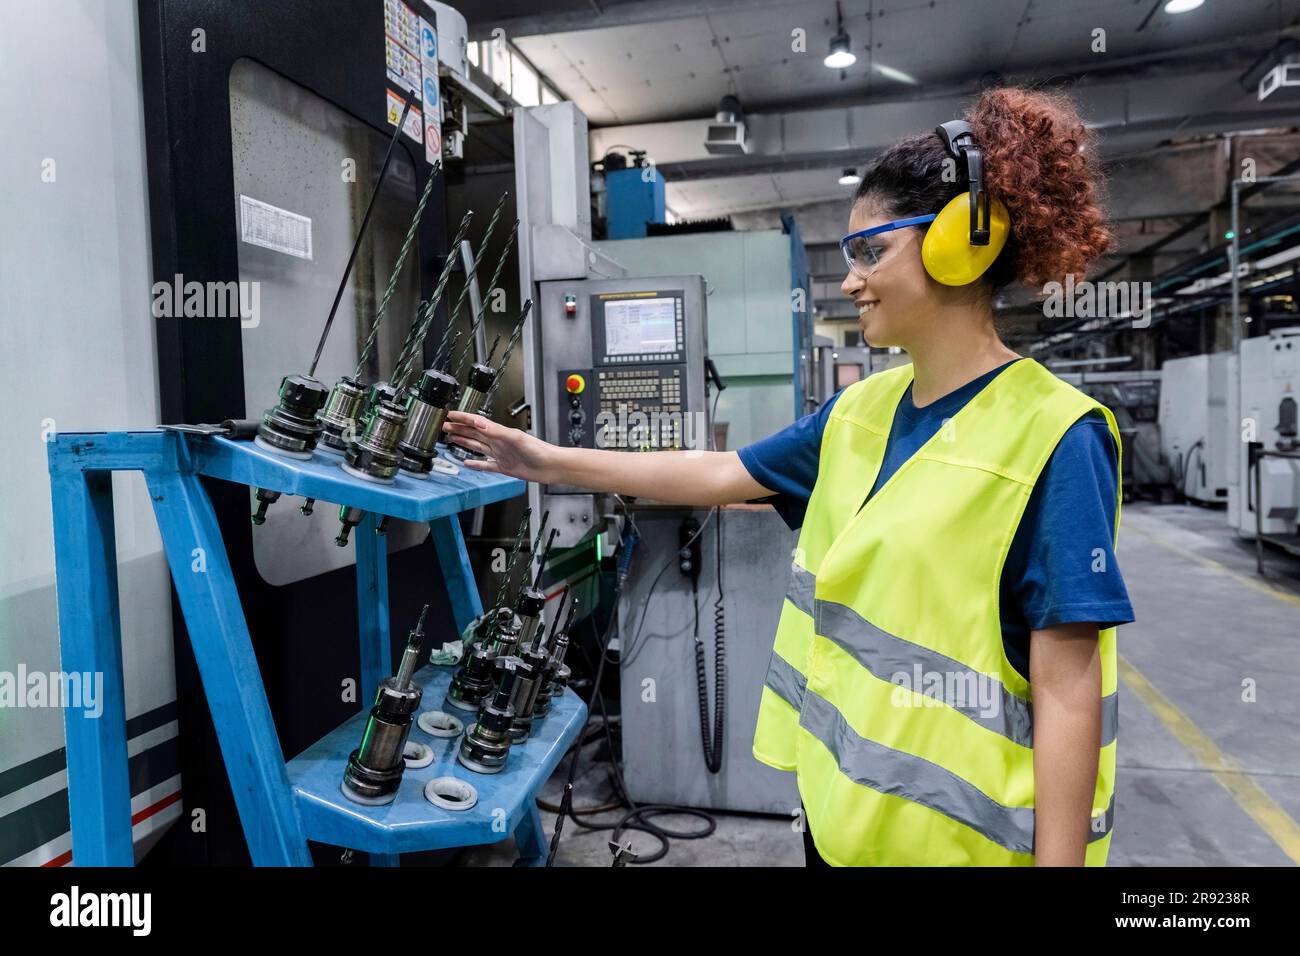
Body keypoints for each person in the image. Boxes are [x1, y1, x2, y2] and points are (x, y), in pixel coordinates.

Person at [443, 86, 1134, 867]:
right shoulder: (859, 412)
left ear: (960, 243)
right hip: (838, 832)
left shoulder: (1055, 436)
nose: (850, 281)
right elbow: (716, 471)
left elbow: (1070, 691)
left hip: (960, 848)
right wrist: (544, 459)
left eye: (871, 251)